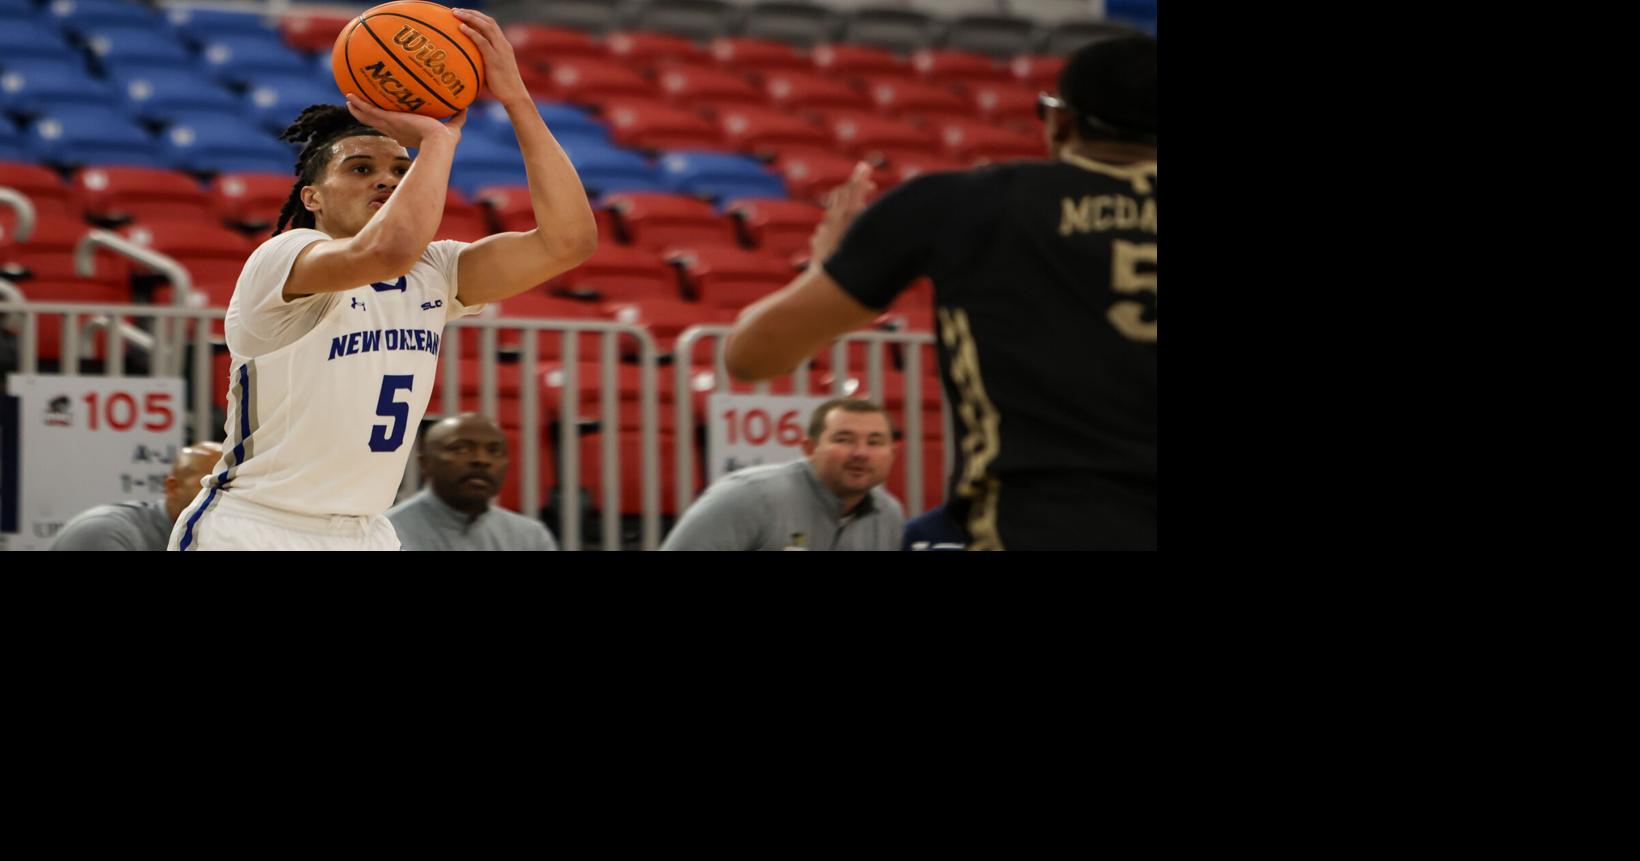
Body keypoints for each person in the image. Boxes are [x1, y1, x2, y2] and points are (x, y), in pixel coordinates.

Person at [168, 8, 596, 551]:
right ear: (312, 197)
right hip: (257, 524)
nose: (387, 181)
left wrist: (516, 100)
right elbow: (388, 250)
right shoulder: (285, 256)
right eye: (361, 169)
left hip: (365, 531)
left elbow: (569, 242)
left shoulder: (433, 270)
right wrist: (437, 144)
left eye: (399, 168)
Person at [723, 36, 1158, 550]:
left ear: (1059, 120)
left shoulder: (967, 202)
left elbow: (752, 355)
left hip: (1038, 525)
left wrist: (826, 266)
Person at [660, 398, 904, 551]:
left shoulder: (888, 513)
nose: (860, 453)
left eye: (875, 442)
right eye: (844, 440)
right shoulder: (747, 496)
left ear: (892, 453)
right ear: (809, 448)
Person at [386, 413, 559, 551]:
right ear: (425, 462)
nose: (481, 460)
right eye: (461, 448)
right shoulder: (387, 532)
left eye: (494, 451)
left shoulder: (529, 536)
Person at [51, 442, 223, 551]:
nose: (225, 497)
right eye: (214, 487)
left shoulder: (218, 539)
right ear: (173, 487)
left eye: (234, 488)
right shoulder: (104, 532)